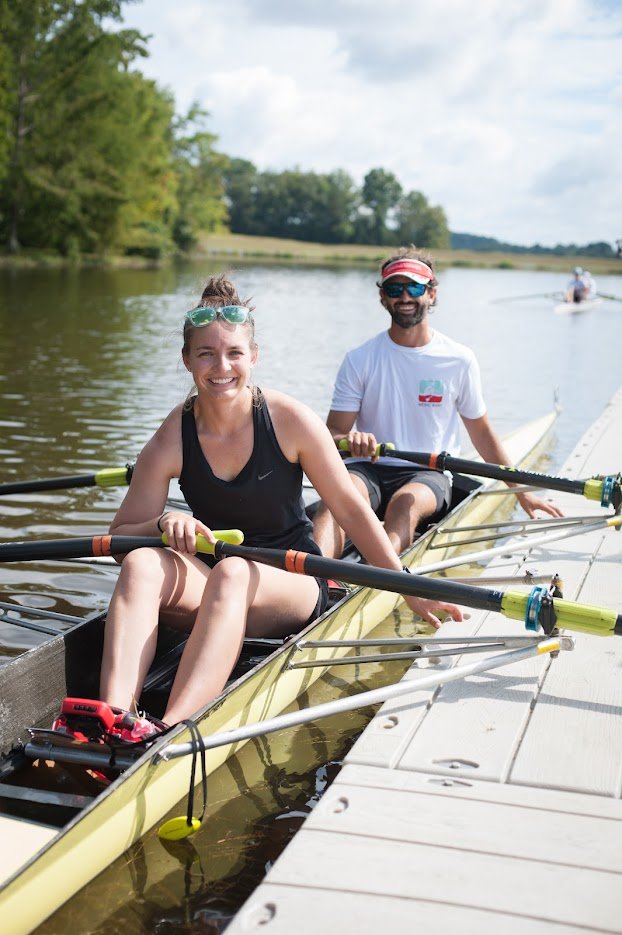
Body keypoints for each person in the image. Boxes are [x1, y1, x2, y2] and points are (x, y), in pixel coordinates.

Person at [55, 274, 463, 743]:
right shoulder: (175, 432)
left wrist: (407, 588)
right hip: (214, 583)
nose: (221, 367)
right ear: (186, 360)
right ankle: (113, 718)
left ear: (254, 358)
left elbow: (351, 511)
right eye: (206, 354)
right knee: (144, 563)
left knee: (235, 572)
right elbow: (122, 535)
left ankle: (168, 731)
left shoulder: (288, 419)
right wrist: (166, 521)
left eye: (233, 354)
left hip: (292, 584)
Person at [313, 248, 563, 560]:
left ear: (432, 293)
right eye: (394, 288)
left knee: (404, 503)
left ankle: (376, 576)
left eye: (415, 287)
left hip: (428, 472)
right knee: (337, 498)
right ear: (383, 298)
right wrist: (350, 440)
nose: (405, 296)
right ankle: (315, 580)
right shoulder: (360, 359)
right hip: (369, 467)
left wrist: (520, 492)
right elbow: (333, 433)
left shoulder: (458, 359)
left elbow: (482, 435)